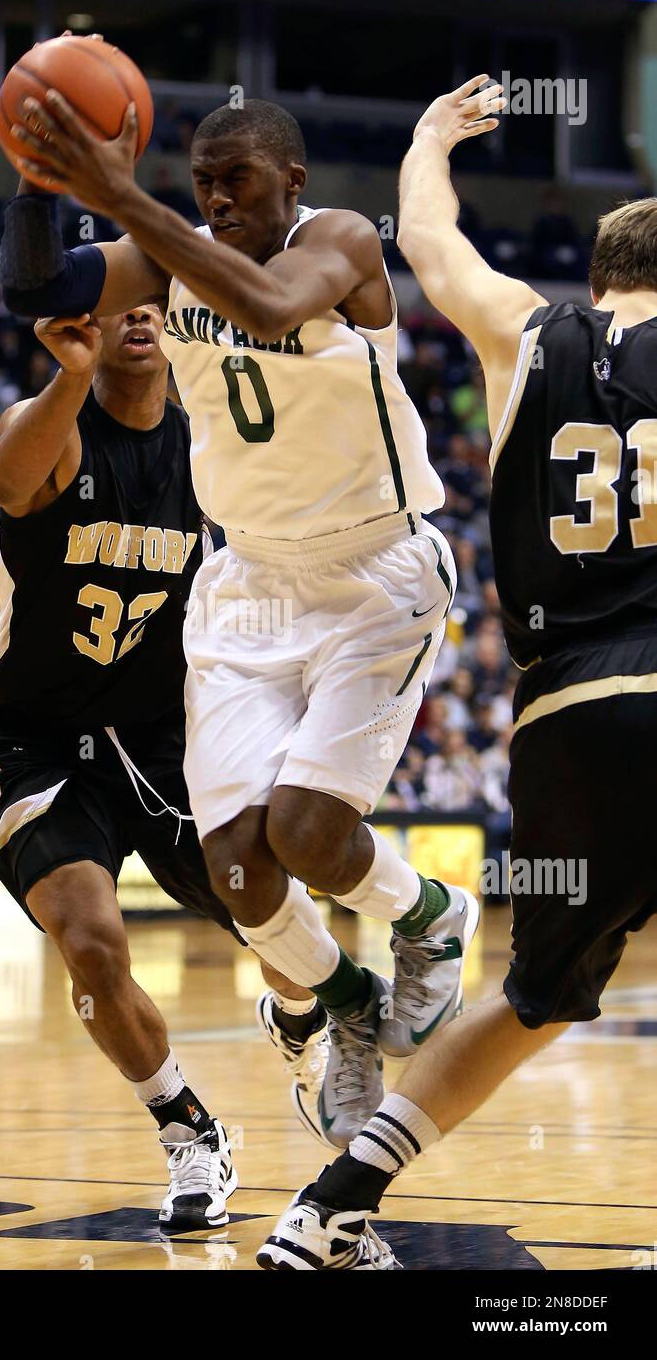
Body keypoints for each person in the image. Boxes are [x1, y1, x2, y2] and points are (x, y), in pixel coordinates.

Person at [0, 89, 478, 1164]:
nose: (215, 198)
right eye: (203, 181)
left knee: (308, 832)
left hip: (374, 570)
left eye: (238, 180)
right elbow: (38, 285)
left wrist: (119, 193)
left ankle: (426, 911)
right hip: (248, 579)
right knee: (242, 874)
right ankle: (350, 1003)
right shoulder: (169, 255)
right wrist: (35, 184)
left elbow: (266, 307)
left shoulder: (342, 243)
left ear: (292, 182)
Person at [259, 75, 657, 1268]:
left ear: (596, 279)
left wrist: (429, 136)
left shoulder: (528, 336)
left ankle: (333, 1198)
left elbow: (427, 239)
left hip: (564, 715)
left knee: (538, 989)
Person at [0, 303, 329, 1231]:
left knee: (276, 923)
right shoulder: (44, 422)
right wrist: (73, 374)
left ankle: (299, 1019)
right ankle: (187, 1131)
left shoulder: (213, 446)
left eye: (152, 304)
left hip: (171, 733)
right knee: (88, 942)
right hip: (39, 738)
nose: (136, 315)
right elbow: (8, 486)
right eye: (113, 304)